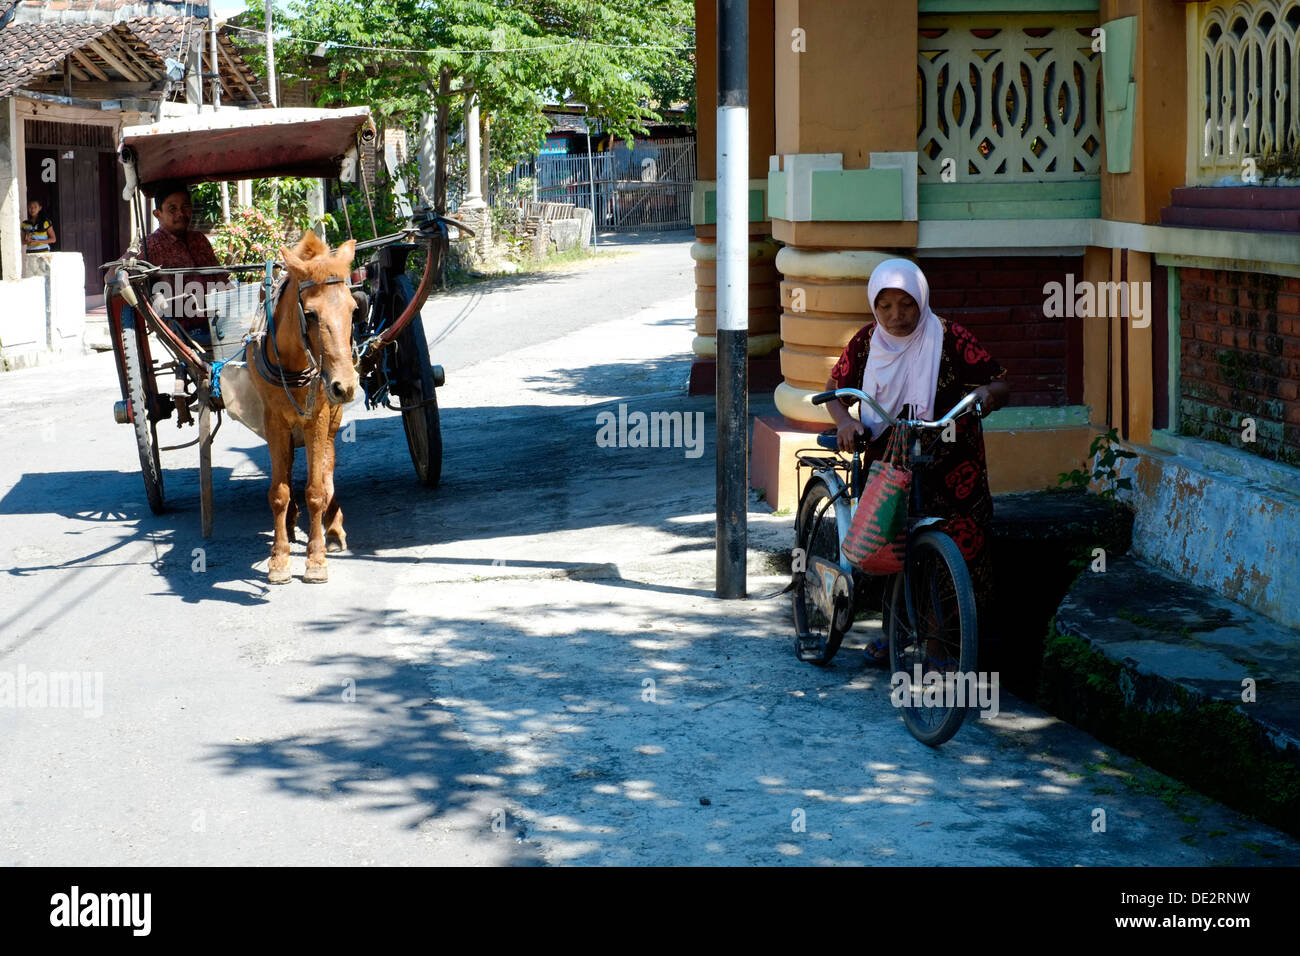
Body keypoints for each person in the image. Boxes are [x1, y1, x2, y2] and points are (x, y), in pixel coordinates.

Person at [823, 258, 1010, 664]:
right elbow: (835, 388)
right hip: (887, 460)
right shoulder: (865, 342)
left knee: (954, 551)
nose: (896, 316)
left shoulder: (951, 338)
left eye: (906, 304)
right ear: (874, 305)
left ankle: (939, 644)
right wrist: (845, 422)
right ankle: (894, 633)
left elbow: (998, 380)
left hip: (952, 464)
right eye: (886, 305)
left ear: (921, 299)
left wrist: (988, 395)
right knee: (888, 544)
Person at [139, 181, 229, 332]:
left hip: (218, 320)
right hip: (183, 329)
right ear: (158, 214)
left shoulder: (199, 239)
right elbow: (113, 274)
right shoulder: (149, 246)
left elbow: (221, 279)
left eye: (185, 207)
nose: (181, 213)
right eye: (172, 209)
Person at [21, 198, 56, 273]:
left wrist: (39, 241)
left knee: (44, 276)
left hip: (44, 255)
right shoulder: (25, 224)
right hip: (30, 254)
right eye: (30, 207)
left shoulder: (46, 222)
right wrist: (28, 241)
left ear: (40, 208)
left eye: (35, 207)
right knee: (32, 277)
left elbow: (53, 239)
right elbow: (22, 242)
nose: (32, 209)